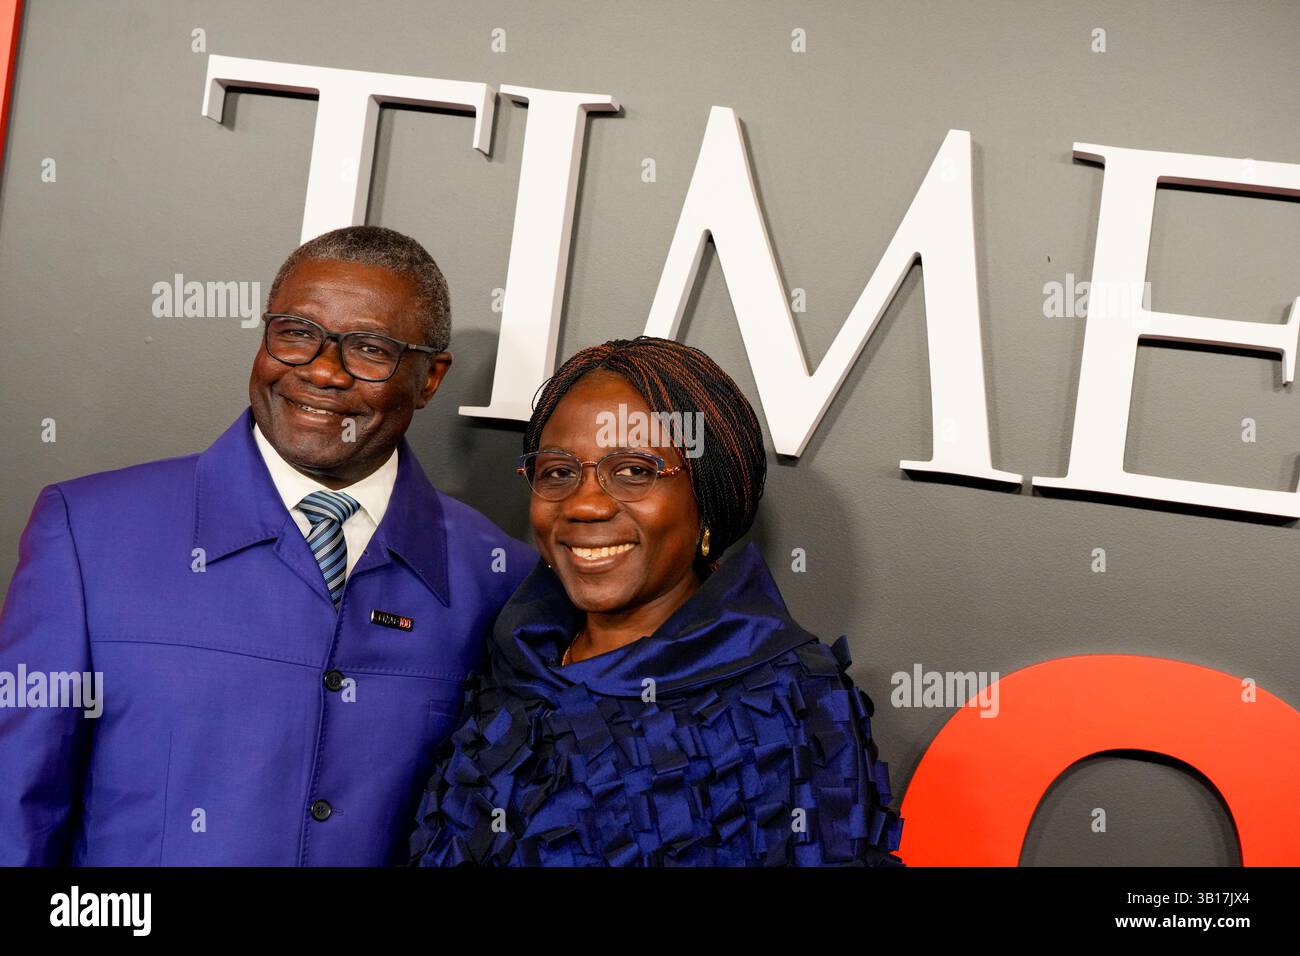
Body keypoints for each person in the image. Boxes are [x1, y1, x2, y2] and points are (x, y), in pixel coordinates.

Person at [0, 225, 536, 865]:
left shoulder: (498, 575)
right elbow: (16, 810)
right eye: (296, 333)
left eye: (369, 349)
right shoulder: (88, 532)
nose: (323, 372)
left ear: (430, 380)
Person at [409, 336, 904, 866]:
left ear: (707, 501)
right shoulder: (510, 663)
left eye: (634, 472)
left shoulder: (790, 701)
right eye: (558, 472)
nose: (584, 504)